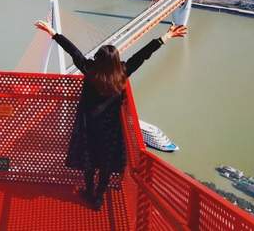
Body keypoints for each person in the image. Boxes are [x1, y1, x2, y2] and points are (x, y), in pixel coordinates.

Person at [34, 20, 188, 210]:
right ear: (116, 61)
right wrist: (165, 37)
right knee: (105, 163)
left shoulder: (89, 70)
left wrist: (53, 32)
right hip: (111, 129)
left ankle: (89, 192)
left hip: (89, 127)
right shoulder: (123, 72)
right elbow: (142, 55)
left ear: (97, 60)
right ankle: (99, 198)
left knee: (90, 161)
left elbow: (73, 51)